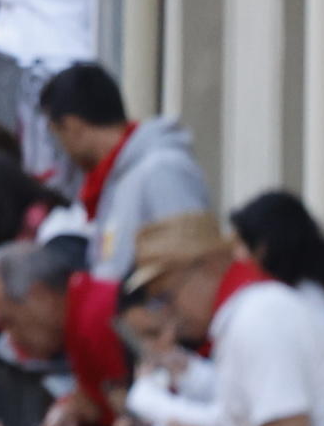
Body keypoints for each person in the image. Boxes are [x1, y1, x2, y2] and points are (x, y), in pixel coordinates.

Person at [121, 210, 324, 426]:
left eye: (168, 296)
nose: (168, 316)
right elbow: (236, 418)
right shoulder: (248, 313)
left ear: (210, 265)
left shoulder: (258, 315)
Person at [37, 63, 208, 284]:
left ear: (73, 126)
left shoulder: (160, 170)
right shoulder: (119, 179)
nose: (62, 150)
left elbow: (191, 267)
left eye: (57, 134)